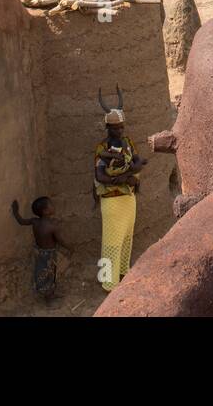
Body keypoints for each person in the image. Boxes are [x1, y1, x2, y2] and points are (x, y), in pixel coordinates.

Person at [94, 108, 146, 293]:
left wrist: (130, 173)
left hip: (128, 198)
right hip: (111, 201)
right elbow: (99, 176)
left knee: (126, 237)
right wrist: (120, 179)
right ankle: (107, 283)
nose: (120, 131)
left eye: (122, 127)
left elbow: (138, 162)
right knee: (111, 242)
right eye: (115, 128)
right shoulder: (102, 148)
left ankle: (123, 274)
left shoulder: (128, 142)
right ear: (107, 127)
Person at [11, 196, 72, 304]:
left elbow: (21, 221)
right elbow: (61, 241)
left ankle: (51, 294)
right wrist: (70, 248)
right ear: (45, 211)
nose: (53, 206)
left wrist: (15, 211)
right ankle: (48, 300)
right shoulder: (52, 226)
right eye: (51, 205)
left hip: (40, 253)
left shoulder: (34, 221)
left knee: (44, 274)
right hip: (50, 254)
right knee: (49, 275)